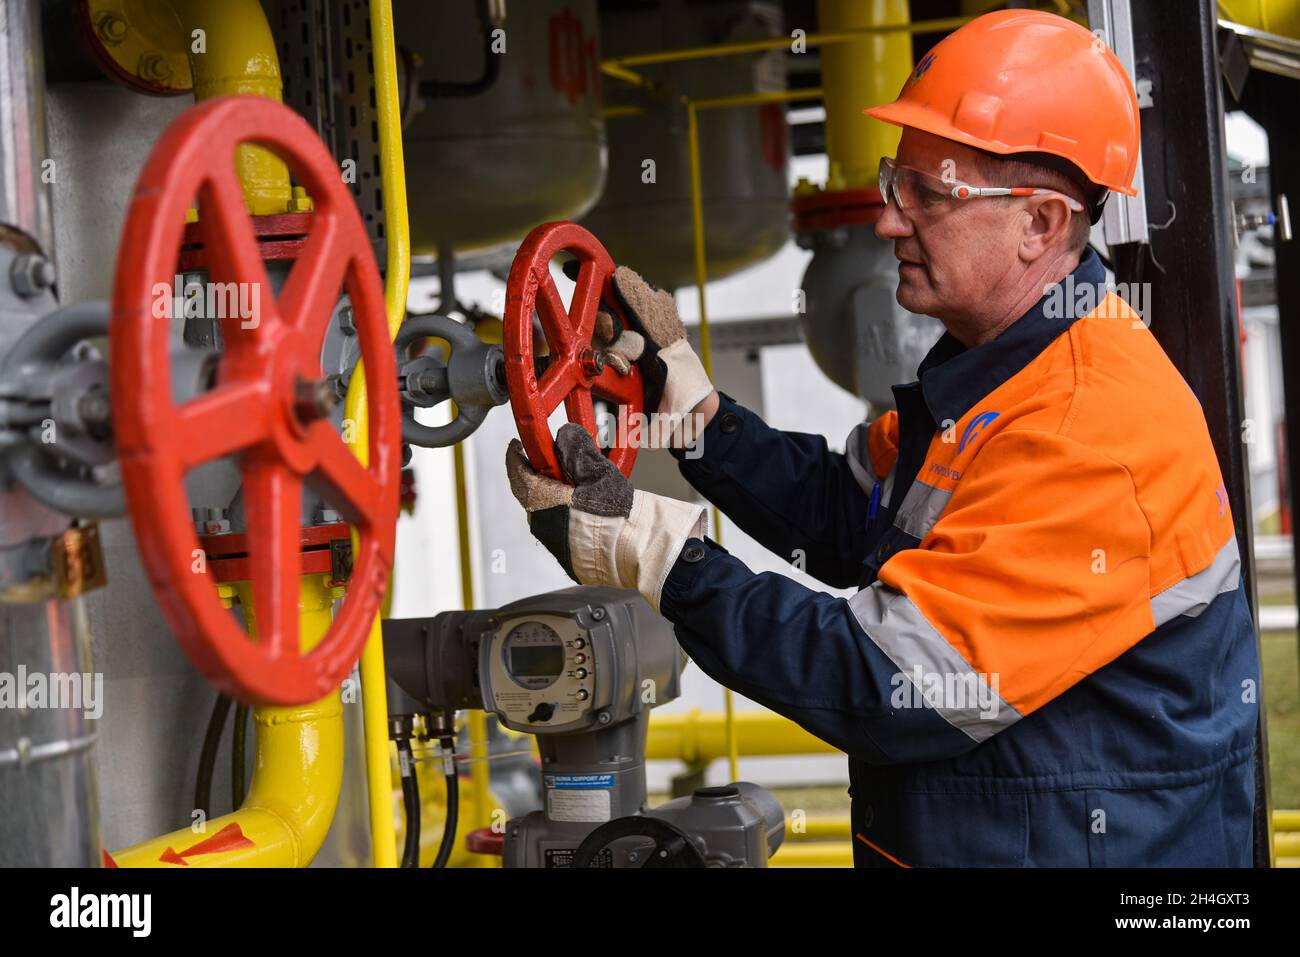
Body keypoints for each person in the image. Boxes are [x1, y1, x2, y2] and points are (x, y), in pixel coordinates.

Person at [506, 8, 1259, 867]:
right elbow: (846, 511)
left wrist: (655, 554)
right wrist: (691, 413)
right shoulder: (996, 372)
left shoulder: (1089, 430)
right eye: (894, 181)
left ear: (1041, 225)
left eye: (927, 195)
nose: (889, 220)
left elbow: (884, 681)